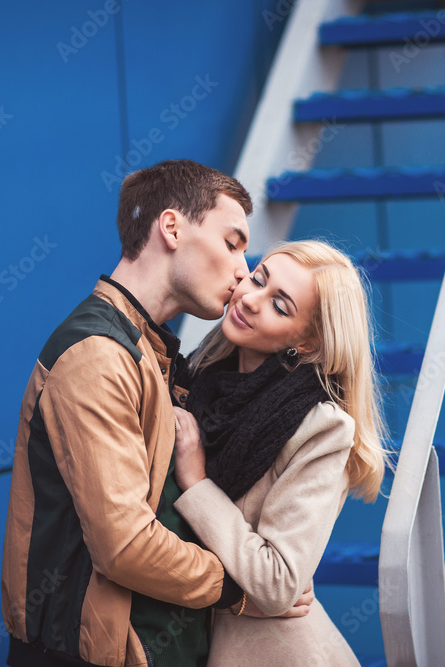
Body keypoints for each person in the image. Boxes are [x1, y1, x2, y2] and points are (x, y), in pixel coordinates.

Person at [1, 160, 256, 667]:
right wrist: (240, 586)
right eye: (232, 243)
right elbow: (125, 546)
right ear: (171, 227)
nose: (243, 271)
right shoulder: (98, 353)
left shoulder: (147, 351)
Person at [170, 240, 391, 665]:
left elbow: (277, 583)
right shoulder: (195, 381)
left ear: (306, 343)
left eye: (280, 306)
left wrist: (196, 482)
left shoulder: (320, 428)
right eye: (258, 279)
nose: (250, 300)